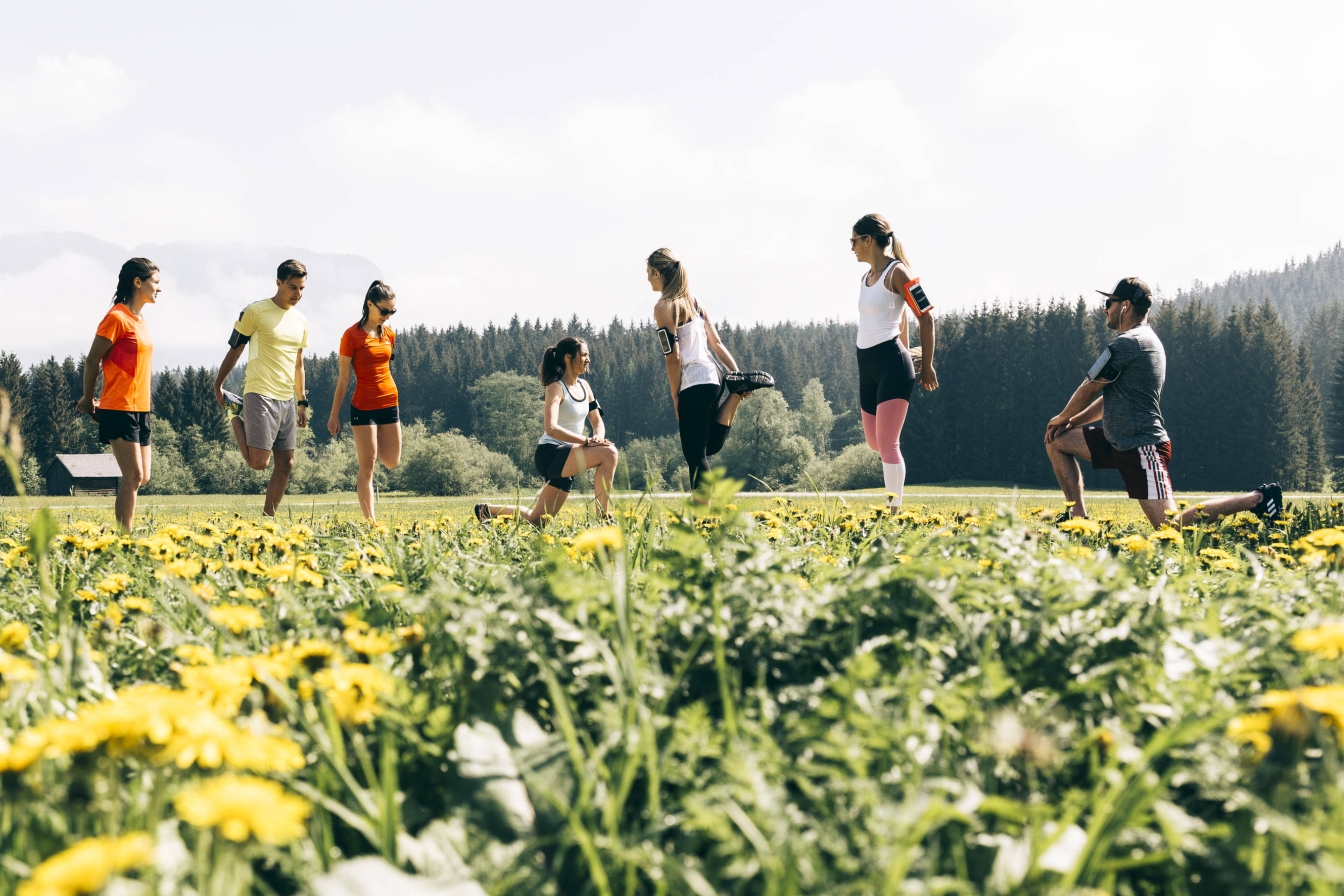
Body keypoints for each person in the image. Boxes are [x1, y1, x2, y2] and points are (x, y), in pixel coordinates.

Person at [1044, 276, 1282, 528]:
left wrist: (1060, 418)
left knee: (1171, 528)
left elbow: (1089, 388)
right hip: (1119, 440)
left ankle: (1258, 499)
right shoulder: (1145, 340)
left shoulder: (1128, 343)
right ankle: (1077, 518)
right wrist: (1070, 423)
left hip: (1142, 445)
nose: (1105, 308)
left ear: (1125, 305)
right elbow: (1109, 396)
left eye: (1109, 302)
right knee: (1056, 440)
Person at [647, 248, 774, 491]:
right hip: (714, 378)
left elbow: (673, 357)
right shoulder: (695, 302)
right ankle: (735, 392)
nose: (646, 278)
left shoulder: (664, 307)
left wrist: (675, 394)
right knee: (709, 446)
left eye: (647, 273)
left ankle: (703, 518)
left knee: (694, 456)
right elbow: (716, 343)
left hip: (693, 382)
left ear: (656, 273)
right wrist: (735, 374)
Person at [475, 337, 618, 526]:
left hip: (569, 456)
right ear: (568, 357)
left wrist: (598, 437)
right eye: (583, 355)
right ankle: (604, 519)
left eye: (588, 355)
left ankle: (486, 510)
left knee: (539, 521)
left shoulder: (585, 386)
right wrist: (586, 441)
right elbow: (551, 429)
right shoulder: (555, 388)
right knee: (609, 454)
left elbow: (596, 420)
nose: (588, 359)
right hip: (550, 454)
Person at [850, 213, 938, 510]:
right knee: (875, 442)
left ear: (868, 240)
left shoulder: (899, 273)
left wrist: (926, 364)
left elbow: (926, 317)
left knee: (888, 444)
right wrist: (908, 342)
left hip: (892, 364)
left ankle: (893, 512)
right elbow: (901, 318)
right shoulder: (867, 278)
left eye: (854, 241)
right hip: (867, 367)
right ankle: (894, 505)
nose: (851, 247)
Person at [212, 259, 310, 517]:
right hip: (259, 393)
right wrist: (218, 383)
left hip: (286, 400)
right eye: (292, 287)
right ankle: (234, 412)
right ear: (278, 282)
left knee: (286, 464)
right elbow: (235, 349)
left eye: (301, 288)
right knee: (258, 463)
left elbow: (299, 364)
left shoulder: (301, 321)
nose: (297, 294)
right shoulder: (255, 312)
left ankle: (268, 521)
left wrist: (301, 401)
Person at [76, 258, 159, 532]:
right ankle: (124, 537)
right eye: (155, 282)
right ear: (138, 282)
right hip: (119, 407)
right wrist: (88, 400)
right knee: (133, 476)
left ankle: (124, 532)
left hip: (141, 408)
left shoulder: (140, 320)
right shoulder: (116, 318)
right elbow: (92, 360)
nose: (159, 288)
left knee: (143, 477)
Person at [328, 281, 401, 521]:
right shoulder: (351, 336)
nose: (387, 317)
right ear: (369, 304)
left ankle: (374, 444)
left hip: (390, 403)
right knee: (367, 468)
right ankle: (371, 524)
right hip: (363, 408)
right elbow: (344, 378)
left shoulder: (389, 334)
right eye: (384, 311)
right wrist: (334, 414)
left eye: (392, 312)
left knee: (391, 461)